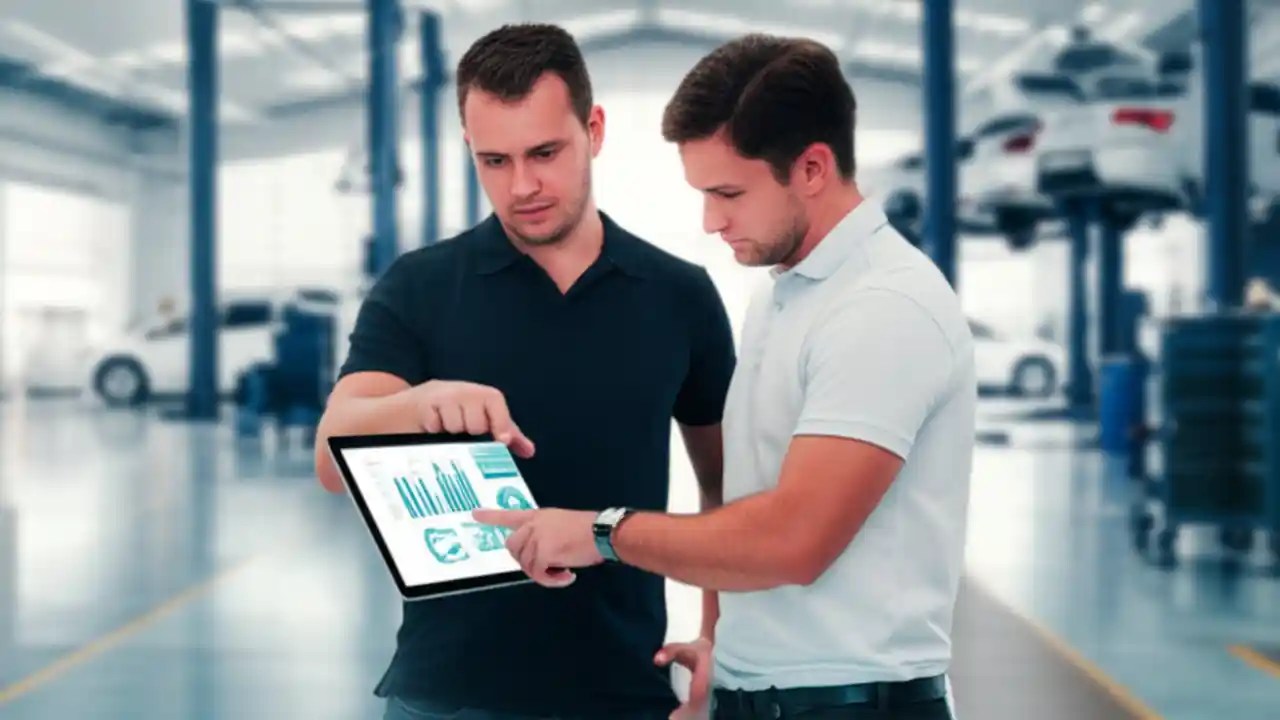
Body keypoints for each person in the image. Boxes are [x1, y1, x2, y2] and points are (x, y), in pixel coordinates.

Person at [475, 33, 976, 720]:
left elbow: (793, 540)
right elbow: (741, 495)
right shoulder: (784, 296)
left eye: (729, 193)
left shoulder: (884, 307)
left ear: (812, 168)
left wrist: (600, 532)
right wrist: (719, 652)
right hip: (766, 696)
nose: (711, 221)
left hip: (851, 703)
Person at [313, 23, 736, 720]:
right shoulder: (418, 288)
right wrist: (418, 404)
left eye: (545, 152)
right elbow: (332, 458)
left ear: (594, 131)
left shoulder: (678, 295)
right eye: (495, 161)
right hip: (446, 698)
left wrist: (719, 640)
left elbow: (726, 490)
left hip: (622, 690)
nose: (523, 186)